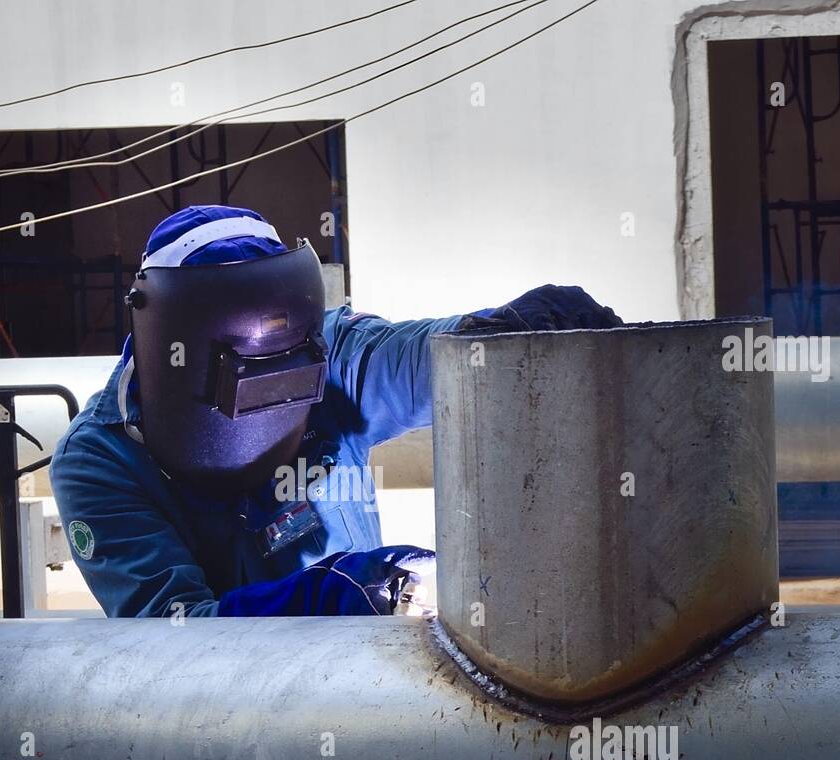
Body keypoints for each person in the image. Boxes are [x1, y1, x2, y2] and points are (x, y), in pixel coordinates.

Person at [51, 205, 620, 618]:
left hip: (367, 682)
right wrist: (331, 594)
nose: (269, 377)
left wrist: (511, 332)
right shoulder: (100, 462)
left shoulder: (331, 354)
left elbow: (427, 362)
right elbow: (171, 634)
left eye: (286, 354)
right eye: (244, 365)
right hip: (226, 734)